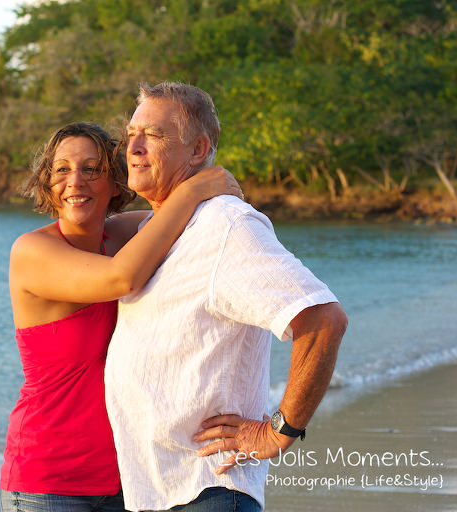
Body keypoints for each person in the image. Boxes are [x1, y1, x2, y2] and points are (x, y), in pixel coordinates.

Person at [104, 82, 348, 512]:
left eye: (154, 135)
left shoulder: (225, 225)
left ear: (198, 149)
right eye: (131, 134)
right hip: (161, 490)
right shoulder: (157, 230)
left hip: (210, 490)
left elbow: (323, 319)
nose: (134, 147)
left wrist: (279, 431)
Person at [0, 121, 242, 512]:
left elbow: (185, 225)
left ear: (115, 183)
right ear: (48, 185)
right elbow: (122, 278)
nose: (74, 181)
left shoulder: (124, 236)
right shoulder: (31, 252)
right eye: (61, 170)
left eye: (91, 169)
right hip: (47, 482)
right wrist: (196, 188)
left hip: (129, 479)